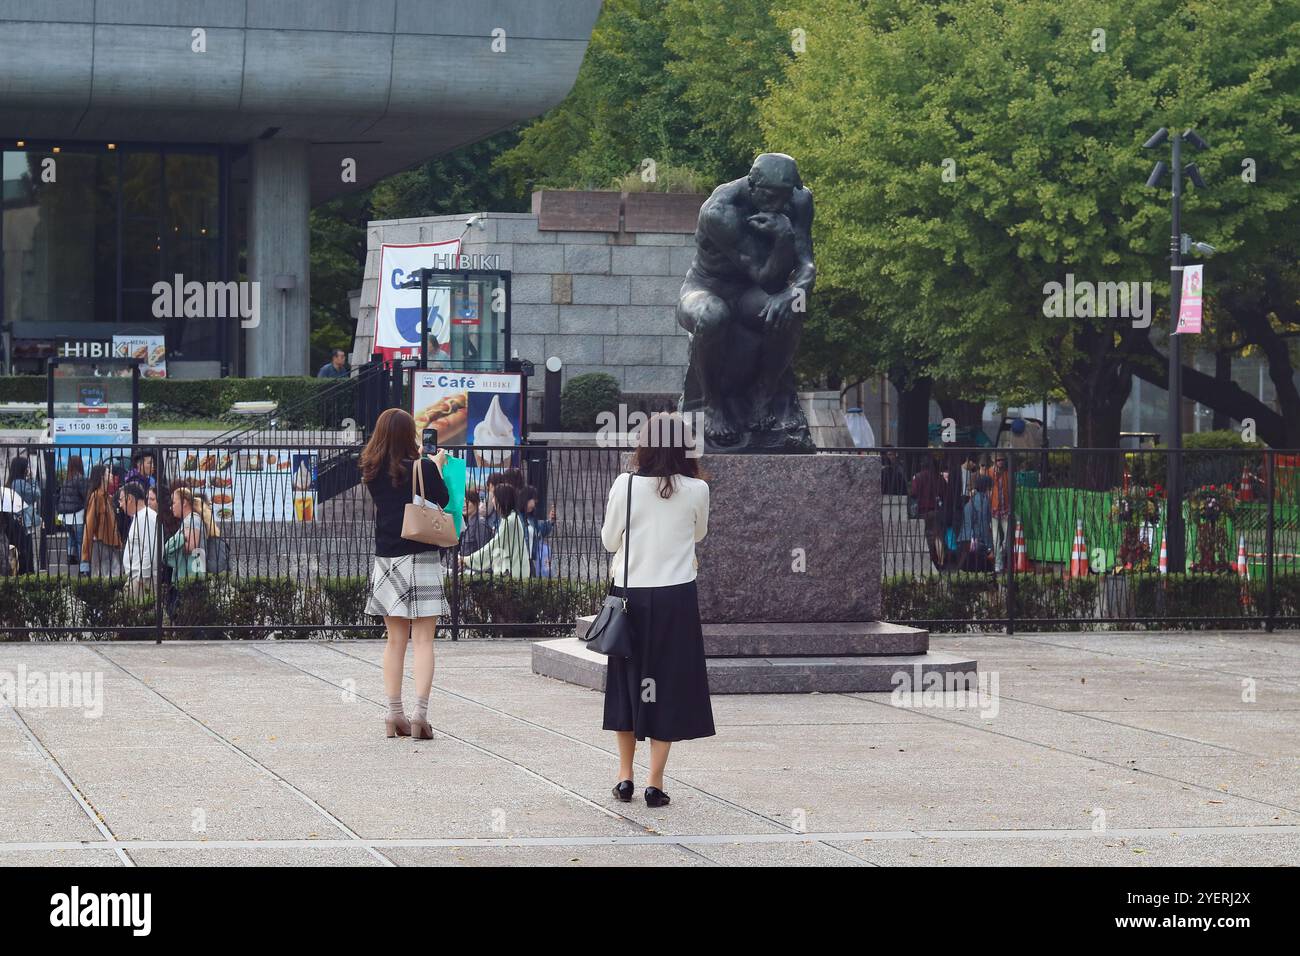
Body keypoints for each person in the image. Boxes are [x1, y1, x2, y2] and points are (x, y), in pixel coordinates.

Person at [601, 413, 714, 808]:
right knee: (664, 686)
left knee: (627, 685)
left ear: (645, 444)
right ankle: (655, 781)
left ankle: (624, 776)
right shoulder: (697, 488)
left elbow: (609, 541)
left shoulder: (625, 485)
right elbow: (698, 534)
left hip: (630, 596)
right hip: (676, 598)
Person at [361, 407, 450, 741]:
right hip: (420, 556)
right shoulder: (422, 467)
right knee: (424, 639)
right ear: (408, 433)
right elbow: (442, 498)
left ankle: (393, 713)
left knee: (394, 640)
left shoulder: (371, 470)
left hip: (387, 560)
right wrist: (436, 467)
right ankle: (420, 716)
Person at [462, 483, 529, 579]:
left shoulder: (509, 520)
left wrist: (467, 560)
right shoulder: (511, 518)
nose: (492, 500)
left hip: (513, 574)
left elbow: (493, 545)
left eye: (494, 497)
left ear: (501, 499)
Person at [82, 464, 124, 577]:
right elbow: (89, 526)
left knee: (112, 576)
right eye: (108, 473)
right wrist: (85, 556)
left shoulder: (106, 497)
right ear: (101, 477)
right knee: (105, 578)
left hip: (110, 544)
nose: (111, 475)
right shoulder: (97, 497)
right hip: (101, 544)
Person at [120, 482, 158, 602]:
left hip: (141, 580)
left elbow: (151, 549)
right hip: (136, 577)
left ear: (130, 499)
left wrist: (141, 578)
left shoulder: (147, 517)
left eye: (121, 500)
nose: (120, 505)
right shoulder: (139, 517)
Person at [910, 456, 948, 571]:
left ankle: (928, 562)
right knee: (938, 537)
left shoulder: (918, 477)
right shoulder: (938, 477)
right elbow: (944, 492)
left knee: (925, 538)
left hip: (922, 512)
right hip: (936, 510)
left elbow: (913, 493)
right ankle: (941, 562)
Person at [7, 456, 41, 574]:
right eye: (26, 467)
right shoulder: (20, 483)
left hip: (13, 523)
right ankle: (27, 576)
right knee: (25, 553)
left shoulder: (11, 482)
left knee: (17, 553)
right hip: (22, 524)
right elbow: (36, 494)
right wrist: (32, 479)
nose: (28, 469)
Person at [57, 455, 89, 572]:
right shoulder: (80, 478)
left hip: (66, 517)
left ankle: (71, 556)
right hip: (78, 515)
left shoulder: (66, 480)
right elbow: (86, 496)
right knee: (81, 541)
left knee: (71, 537)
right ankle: (84, 568)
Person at [957, 474, 994, 571]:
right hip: (975, 539)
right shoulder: (983, 501)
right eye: (991, 488)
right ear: (987, 488)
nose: (992, 491)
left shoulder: (973, 499)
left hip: (965, 537)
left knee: (965, 566)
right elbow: (984, 524)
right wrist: (989, 545)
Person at [521, 485, 556, 577]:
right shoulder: (517, 517)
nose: (536, 502)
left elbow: (541, 529)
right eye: (534, 499)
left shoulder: (532, 518)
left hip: (530, 562)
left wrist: (551, 521)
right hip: (520, 561)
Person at [990, 454, 1011, 573]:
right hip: (993, 510)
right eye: (998, 460)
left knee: (1007, 536)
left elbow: (1008, 490)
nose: (1000, 462)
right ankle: (998, 563)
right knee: (995, 538)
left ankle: (1002, 554)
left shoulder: (1006, 474)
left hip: (1004, 509)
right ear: (994, 461)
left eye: (1002, 460)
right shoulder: (990, 473)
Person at [460, 489, 491, 556]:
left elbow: (484, 551)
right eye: (462, 502)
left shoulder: (480, 524)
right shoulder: (466, 522)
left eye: (467, 502)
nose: (464, 505)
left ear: (477, 503)